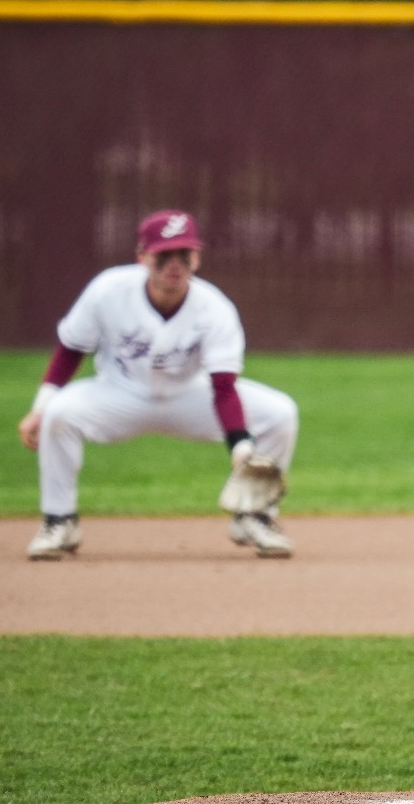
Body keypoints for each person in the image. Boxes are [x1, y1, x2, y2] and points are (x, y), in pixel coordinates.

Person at [17, 210, 300, 559]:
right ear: (142, 257)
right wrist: (40, 407)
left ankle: (255, 516)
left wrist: (242, 449)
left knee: (281, 413)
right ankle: (59, 521)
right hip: (118, 394)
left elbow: (224, 387)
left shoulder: (214, 308)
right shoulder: (108, 291)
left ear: (196, 259)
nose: (174, 264)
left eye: (184, 254)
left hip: (188, 396)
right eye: (163, 254)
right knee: (59, 414)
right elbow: (71, 349)